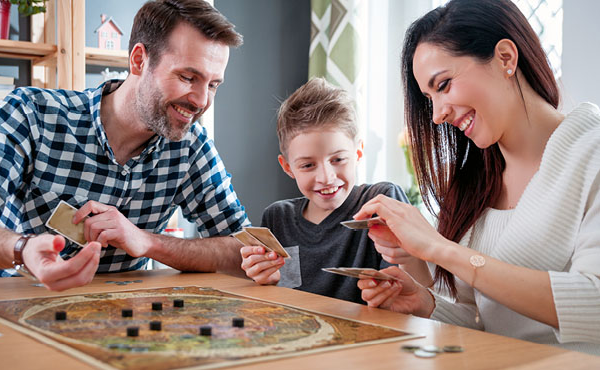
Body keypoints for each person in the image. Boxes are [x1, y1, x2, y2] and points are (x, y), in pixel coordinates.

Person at [0, 0, 250, 291]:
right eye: (187, 77)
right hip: (17, 305)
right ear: (139, 60)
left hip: (122, 323)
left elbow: (244, 250)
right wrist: (23, 249)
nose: (201, 101)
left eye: (213, 85)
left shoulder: (191, 146)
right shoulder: (33, 113)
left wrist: (147, 242)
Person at [354, 0, 600, 354]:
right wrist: (425, 304)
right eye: (428, 99)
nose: (437, 115)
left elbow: (593, 302)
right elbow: (481, 321)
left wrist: (441, 249)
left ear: (505, 58)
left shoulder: (591, 154)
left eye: (444, 85)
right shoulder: (474, 182)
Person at [239, 78, 409, 304]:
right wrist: (266, 280)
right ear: (288, 167)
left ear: (358, 153)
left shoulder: (382, 202)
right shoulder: (278, 217)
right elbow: (280, 295)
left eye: (338, 159)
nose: (327, 177)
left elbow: (407, 291)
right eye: (308, 165)